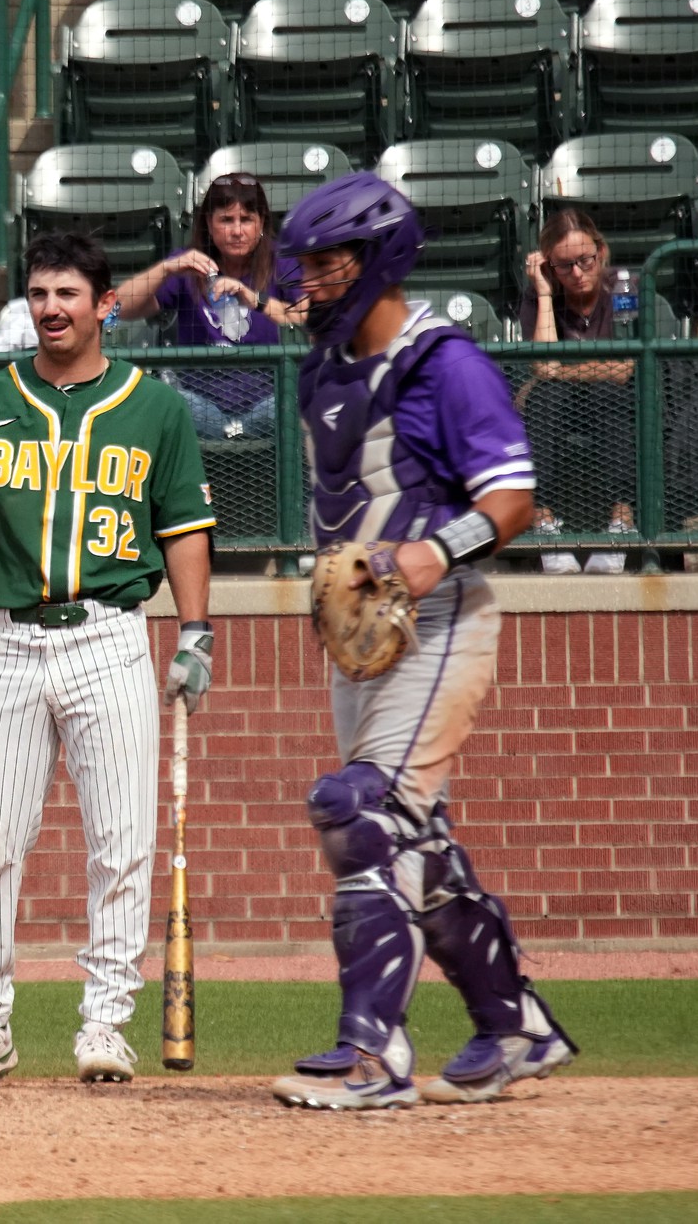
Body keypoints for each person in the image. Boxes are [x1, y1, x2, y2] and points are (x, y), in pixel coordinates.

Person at [0, 233, 219, 1086]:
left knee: (121, 844)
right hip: (9, 640)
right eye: (40, 294)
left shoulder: (155, 408)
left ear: (105, 304)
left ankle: (104, 1024)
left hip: (110, 635)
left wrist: (195, 630)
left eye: (69, 293)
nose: (53, 307)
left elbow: (185, 528)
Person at [266, 172, 576, 1112]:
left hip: (442, 618)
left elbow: (513, 498)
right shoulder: (324, 368)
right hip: (367, 639)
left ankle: (373, 1054)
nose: (312, 280)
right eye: (307, 264)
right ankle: (513, 1023)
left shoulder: (443, 361)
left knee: (359, 809)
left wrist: (436, 554)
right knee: (412, 839)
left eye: (330, 263)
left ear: (378, 259)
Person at [112, 171, 293, 440]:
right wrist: (165, 269)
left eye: (246, 220)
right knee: (167, 402)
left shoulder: (283, 261)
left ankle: (236, 435)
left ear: (262, 222)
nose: (237, 231)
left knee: (299, 401)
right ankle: (231, 435)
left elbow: (308, 318)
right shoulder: (188, 264)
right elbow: (118, 307)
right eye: (226, 220)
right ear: (208, 222)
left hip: (269, 402)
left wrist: (255, 300)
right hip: (200, 406)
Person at [516, 208, 638, 575]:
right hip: (560, 404)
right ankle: (546, 529)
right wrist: (542, 292)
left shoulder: (624, 287)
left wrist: (560, 371)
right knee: (544, 399)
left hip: (615, 401)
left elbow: (623, 369)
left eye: (585, 260)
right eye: (564, 265)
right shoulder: (539, 298)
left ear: (600, 251)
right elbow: (542, 365)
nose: (578, 273)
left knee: (606, 394)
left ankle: (620, 526)